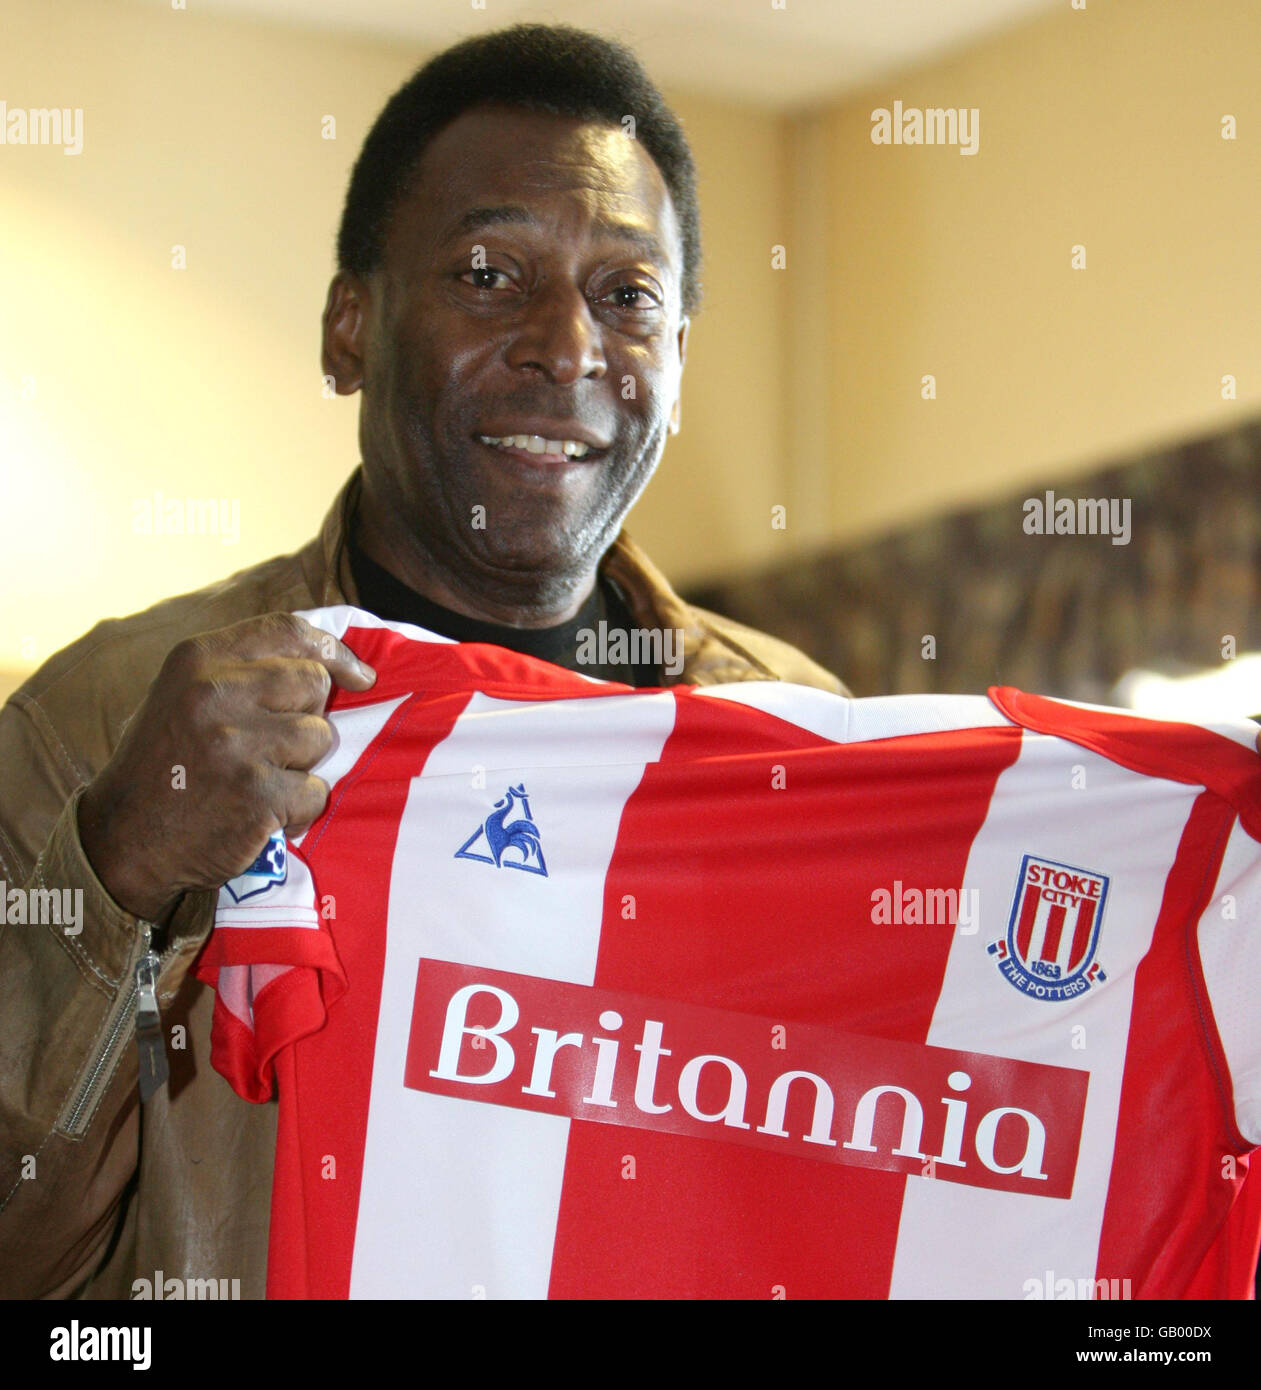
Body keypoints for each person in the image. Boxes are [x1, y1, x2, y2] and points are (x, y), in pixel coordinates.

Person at [0, 24, 843, 1298]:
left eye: (628, 296)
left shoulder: (800, 741)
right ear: (350, 329)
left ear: (678, 363)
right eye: (489, 271)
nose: (567, 346)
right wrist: (117, 866)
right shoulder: (100, 723)